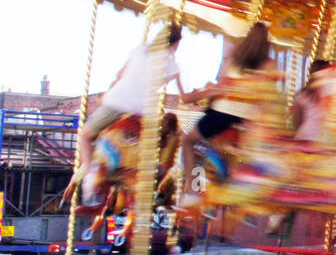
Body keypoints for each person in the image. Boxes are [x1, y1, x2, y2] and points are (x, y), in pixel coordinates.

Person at [63, 26, 188, 204]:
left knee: (86, 135)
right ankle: (160, 179)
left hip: (117, 101)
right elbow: (184, 96)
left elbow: (119, 74)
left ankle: (89, 174)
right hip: (142, 111)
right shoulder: (172, 65)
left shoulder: (140, 50)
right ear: (175, 44)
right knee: (162, 147)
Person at [179, 22, 275, 204]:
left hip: (223, 112)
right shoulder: (269, 63)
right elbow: (265, 94)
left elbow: (222, 82)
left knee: (188, 141)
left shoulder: (235, 57)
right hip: (247, 117)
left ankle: (192, 189)